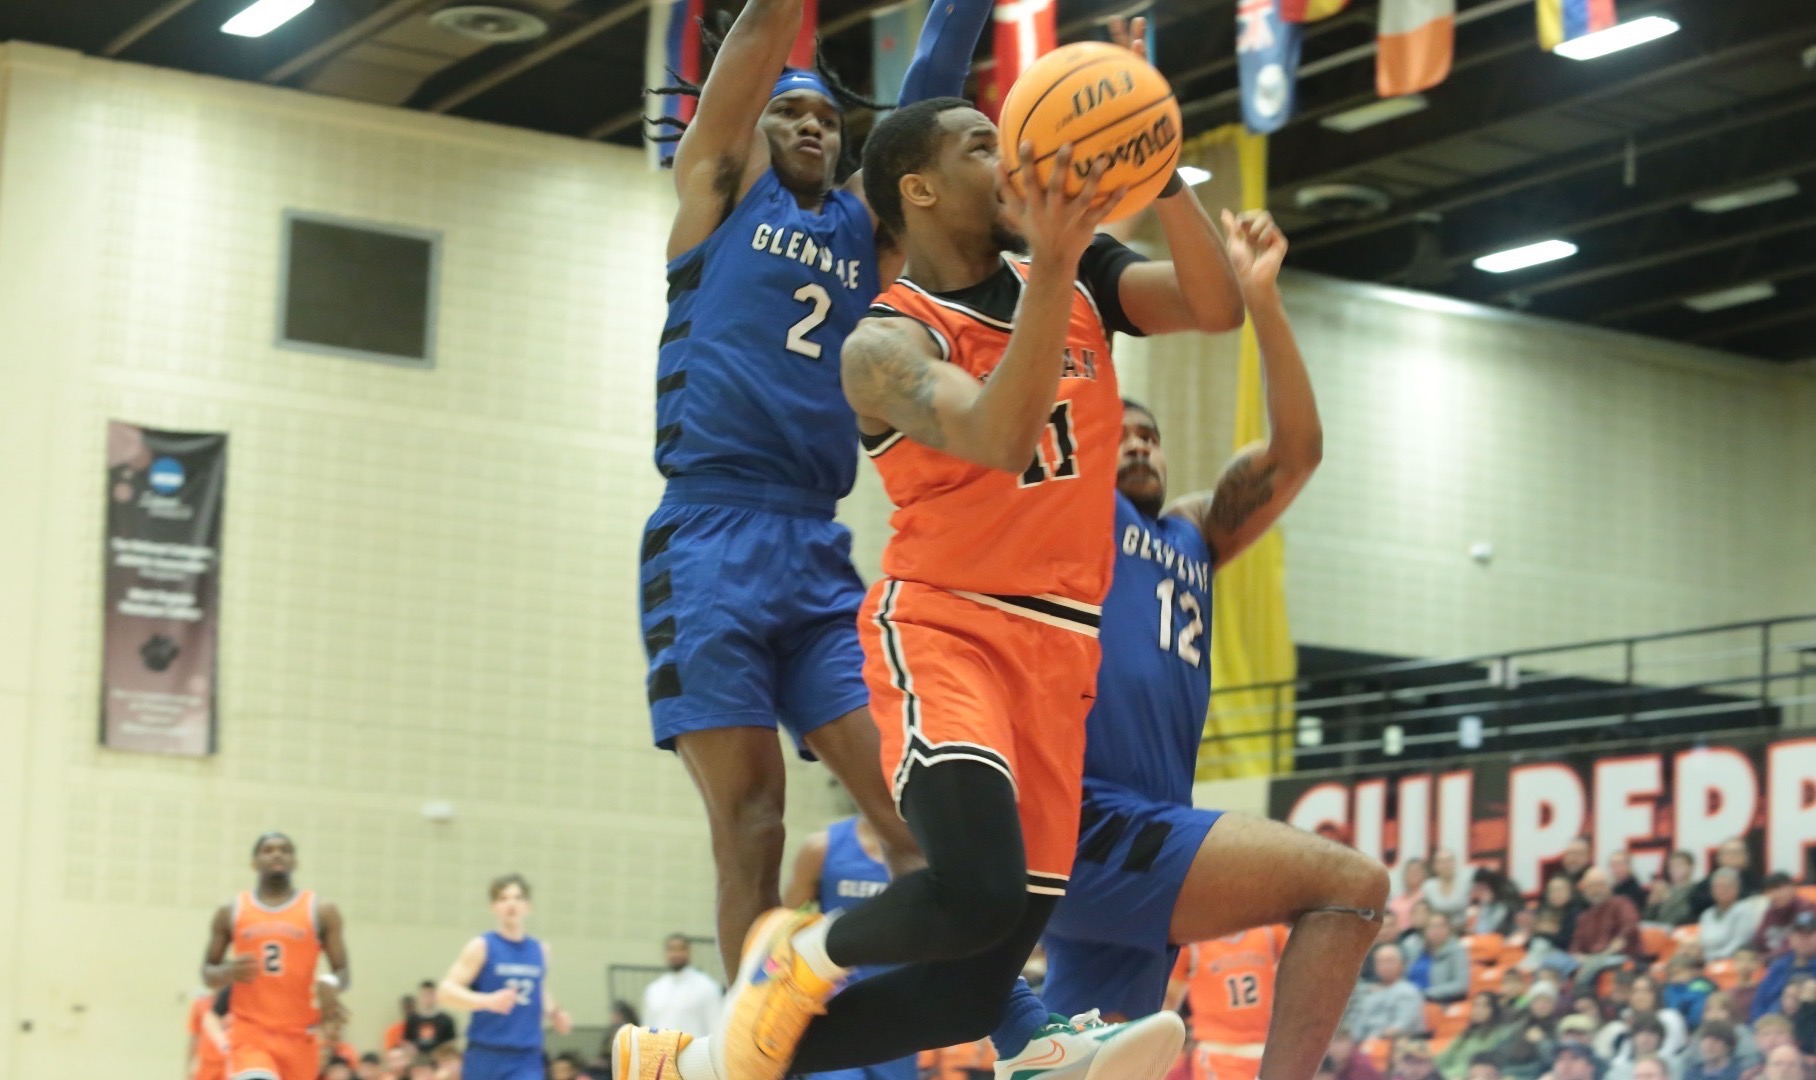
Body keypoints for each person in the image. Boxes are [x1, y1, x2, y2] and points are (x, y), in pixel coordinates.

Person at [619, 82, 1253, 1080]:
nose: (1012, 160)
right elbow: (1000, 434)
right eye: (981, 146)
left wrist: (1161, 170)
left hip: (1063, 644)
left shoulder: (1078, 272)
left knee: (968, 982)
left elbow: (1215, 306)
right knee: (973, 888)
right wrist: (1054, 263)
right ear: (917, 187)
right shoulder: (884, 344)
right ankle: (801, 953)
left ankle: (699, 1066)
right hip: (950, 629)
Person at [635, 0, 994, 987]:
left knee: (910, 816)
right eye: (789, 111)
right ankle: (749, 1038)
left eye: (829, 119)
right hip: (707, 535)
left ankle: (993, 1024)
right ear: (754, 127)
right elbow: (753, 48)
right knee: (753, 824)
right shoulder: (720, 192)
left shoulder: (865, 231)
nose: (810, 125)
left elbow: (925, 97)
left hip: (814, 544)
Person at [199, 832, 349, 1080]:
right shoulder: (231, 910)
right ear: (254, 863)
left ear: (295, 861)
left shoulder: (321, 910)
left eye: (285, 850)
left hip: (299, 1036)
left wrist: (330, 983)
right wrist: (227, 971)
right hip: (250, 1035)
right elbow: (207, 972)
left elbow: (343, 972)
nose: (277, 854)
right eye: (268, 850)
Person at [781, 816, 920, 1080]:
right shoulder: (821, 848)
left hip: (900, 1015)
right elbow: (784, 933)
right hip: (833, 1010)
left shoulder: (929, 851)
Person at [435, 874, 572, 1080]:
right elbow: (445, 992)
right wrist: (486, 1001)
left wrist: (555, 1013)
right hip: (485, 1053)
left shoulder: (540, 950)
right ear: (493, 907)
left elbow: (537, 988)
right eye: (503, 898)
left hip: (525, 1056)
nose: (511, 904)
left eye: (517, 898)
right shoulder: (482, 946)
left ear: (528, 906)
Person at [1176, 927, 1291, 1080]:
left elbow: (1302, 969)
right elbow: (1169, 1000)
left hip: (1268, 1050)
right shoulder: (1191, 944)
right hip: (1217, 1051)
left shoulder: (1271, 932)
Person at [639, 934, 721, 1036]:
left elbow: (716, 1027)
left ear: (689, 952)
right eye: (671, 949)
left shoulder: (706, 987)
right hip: (659, 1046)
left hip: (695, 1045)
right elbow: (647, 1030)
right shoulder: (654, 990)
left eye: (681, 949)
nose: (676, 954)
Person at [1347, 944, 1430, 1042]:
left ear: (1402, 964)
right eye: (1380, 962)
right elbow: (1356, 1024)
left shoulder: (1408, 992)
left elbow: (1401, 1026)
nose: (1385, 966)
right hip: (1359, 1042)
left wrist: (1374, 1039)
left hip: (1392, 1043)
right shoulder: (1369, 992)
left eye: (1389, 961)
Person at [1570, 868, 1640, 982]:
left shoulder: (1621, 903)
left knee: (1588, 971)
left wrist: (1618, 942)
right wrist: (1578, 957)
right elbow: (1575, 946)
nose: (1595, 890)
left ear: (1609, 886)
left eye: (1599, 885)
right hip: (1591, 960)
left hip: (1619, 958)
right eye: (1590, 886)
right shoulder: (1584, 917)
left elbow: (1630, 924)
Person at [1753, 913, 1816, 1021]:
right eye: (1799, 934)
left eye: (1809, 934)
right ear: (1791, 937)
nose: (1803, 939)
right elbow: (1760, 1003)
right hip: (1773, 1024)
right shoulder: (1779, 967)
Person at [1438, 995, 1516, 1080]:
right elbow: (1444, 1057)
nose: (1478, 1010)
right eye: (1476, 1005)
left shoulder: (1501, 1034)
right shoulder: (1465, 1034)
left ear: (1494, 1009)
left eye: (1484, 1006)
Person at [1701, 870, 1767, 961]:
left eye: (1727, 887)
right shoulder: (1707, 914)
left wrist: (1715, 957)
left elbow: (1740, 942)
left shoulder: (1744, 910)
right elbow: (1703, 942)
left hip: (1733, 960)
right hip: (1707, 960)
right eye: (1718, 887)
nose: (1722, 890)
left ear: (1737, 889)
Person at [1406, 913, 1470, 1004]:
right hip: (1409, 999)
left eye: (1440, 926)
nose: (1436, 931)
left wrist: (1427, 993)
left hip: (1437, 1002)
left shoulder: (1457, 951)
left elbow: (1461, 985)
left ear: (1449, 930)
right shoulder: (1415, 950)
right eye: (1432, 927)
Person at [1691, 842, 1761, 924]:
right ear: (1719, 858)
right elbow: (1696, 904)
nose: (1734, 857)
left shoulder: (1756, 882)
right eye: (1729, 853)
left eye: (1738, 852)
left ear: (1746, 857)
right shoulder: (1707, 883)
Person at [1754, 876, 1816, 959]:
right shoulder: (1770, 911)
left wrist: (1768, 957)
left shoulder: (1807, 910)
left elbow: (1800, 944)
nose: (1776, 894)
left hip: (1799, 959)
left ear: (1793, 889)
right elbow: (1759, 940)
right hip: (1770, 958)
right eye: (1771, 891)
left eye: (1780, 889)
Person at [186, 987, 229, 1080]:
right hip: (206, 1065)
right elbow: (194, 1038)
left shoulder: (237, 1005)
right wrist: (189, 1066)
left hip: (229, 1064)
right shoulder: (200, 1004)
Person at [1647, 854, 1701, 927]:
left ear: (1690, 867)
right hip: (1658, 931)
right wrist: (1653, 904)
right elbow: (1647, 920)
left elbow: (1686, 915)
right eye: (1671, 866)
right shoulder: (1663, 890)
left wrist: (1670, 898)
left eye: (1679, 865)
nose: (1674, 869)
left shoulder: (1697, 890)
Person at [407, 981, 459, 1053]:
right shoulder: (412, 1019)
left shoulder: (446, 1019)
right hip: (418, 1056)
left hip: (441, 1056)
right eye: (424, 995)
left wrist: (440, 1052)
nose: (427, 998)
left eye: (430, 994)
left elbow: (451, 1041)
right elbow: (407, 1040)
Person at [1534, 878, 1583, 955]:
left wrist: (1547, 932)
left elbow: (1566, 942)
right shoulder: (1544, 910)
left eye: (1559, 890)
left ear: (1570, 893)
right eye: (1551, 891)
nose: (1555, 894)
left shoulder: (1576, 913)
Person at [1425, 852, 1472, 929]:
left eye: (1448, 861)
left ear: (1454, 864)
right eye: (1441, 862)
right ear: (1435, 866)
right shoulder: (1428, 886)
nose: (1445, 865)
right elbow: (1427, 912)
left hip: (1463, 929)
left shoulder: (1466, 884)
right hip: (1437, 930)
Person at [1392, 861, 1430, 933]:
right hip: (1395, 935)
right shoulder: (1396, 899)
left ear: (1424, 874)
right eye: (1410, 871)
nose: (1413, 874)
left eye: (1416, 871)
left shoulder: (1427, 895)